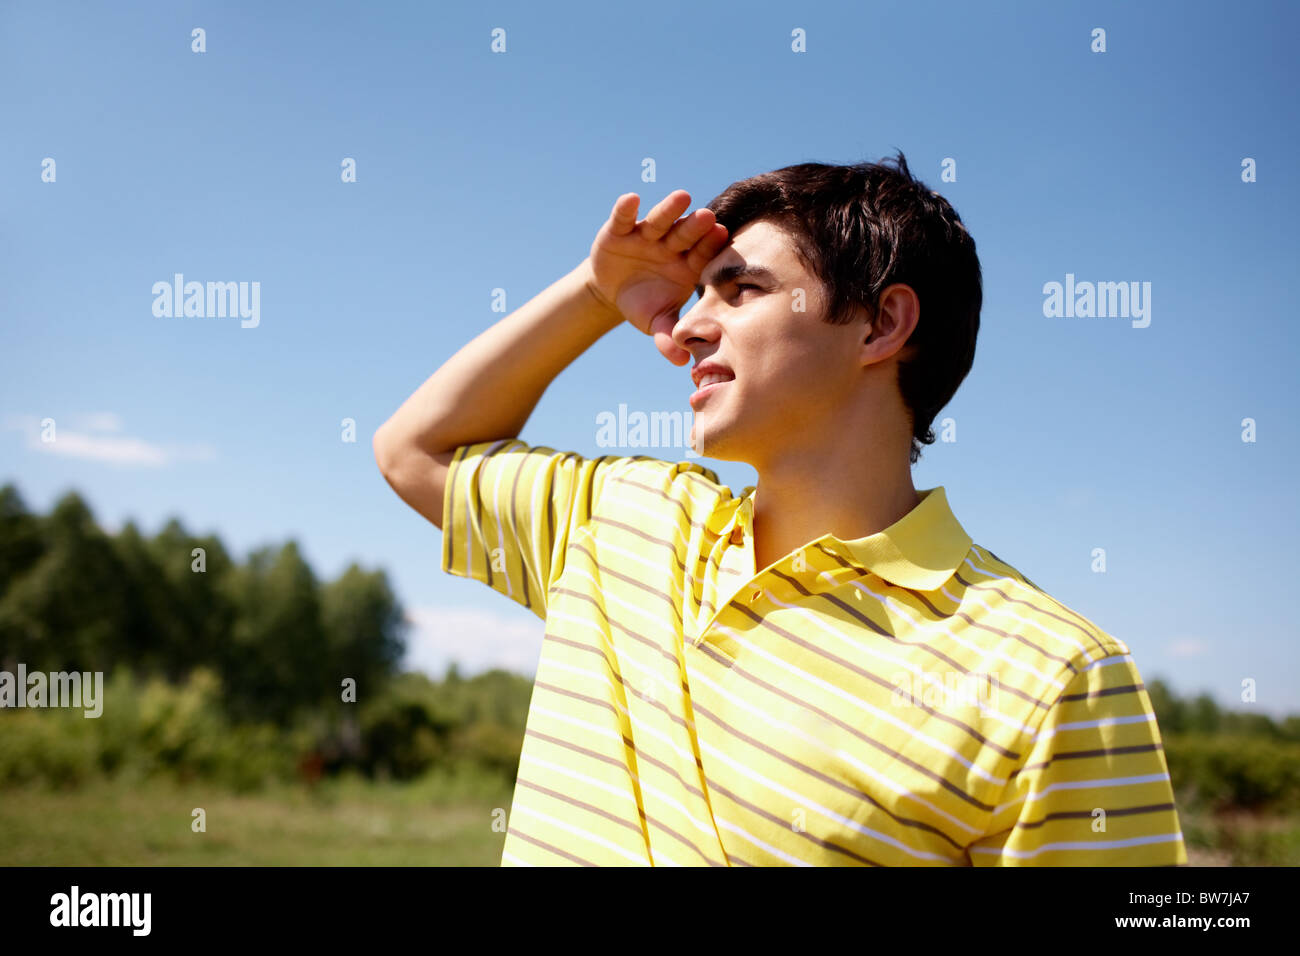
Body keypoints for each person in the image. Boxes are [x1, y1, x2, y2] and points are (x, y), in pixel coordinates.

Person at [373, 152, 1187, 866]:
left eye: (741, 290)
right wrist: (596, 291)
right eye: (698, 297)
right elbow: (416, 450)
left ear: (881, 324)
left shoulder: (1052, 676)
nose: (686, 329)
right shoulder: (622, 521)